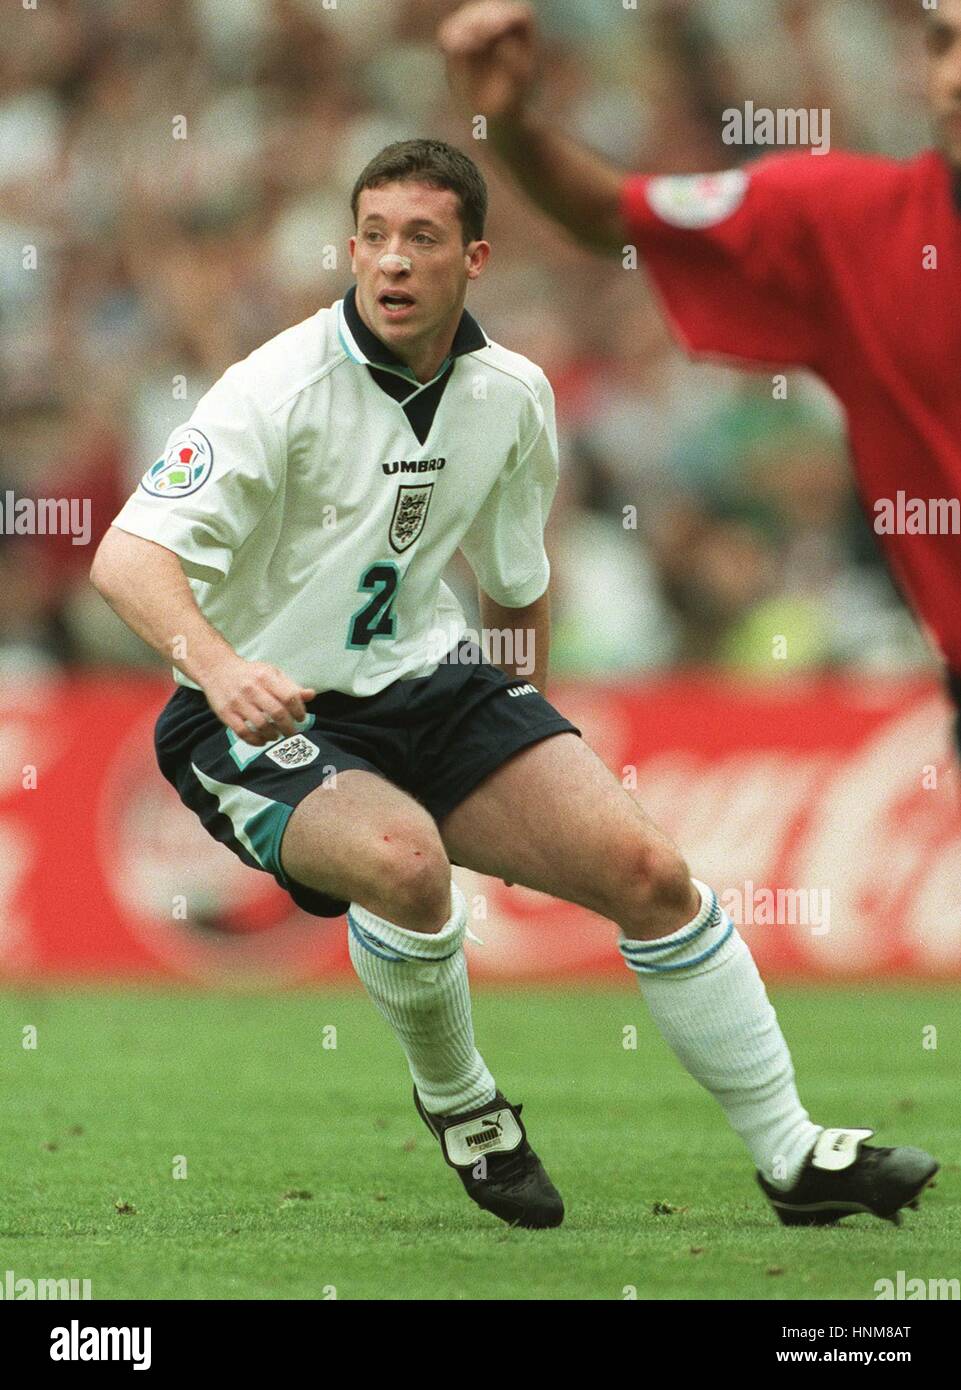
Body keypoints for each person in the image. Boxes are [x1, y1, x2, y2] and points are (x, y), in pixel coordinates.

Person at [90, 138, 935, 1230]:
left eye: (422, 238)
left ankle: (792, 1155)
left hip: (433, 682)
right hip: (248, 714)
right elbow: (126, 557)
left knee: (647, 868)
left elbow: (516, 579)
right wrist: (220, 665)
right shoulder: (272, 389)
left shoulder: (511, 395)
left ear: (473, 257)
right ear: (349, 251)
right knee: (406, 866)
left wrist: (524, 724)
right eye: (375, 238)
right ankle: (464, 1104)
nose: (393, 262)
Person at [439, 0, 961, 752]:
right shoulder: (847, 222)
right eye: (941, 47)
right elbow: (615, 215)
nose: (952, 78)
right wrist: (514, 128)